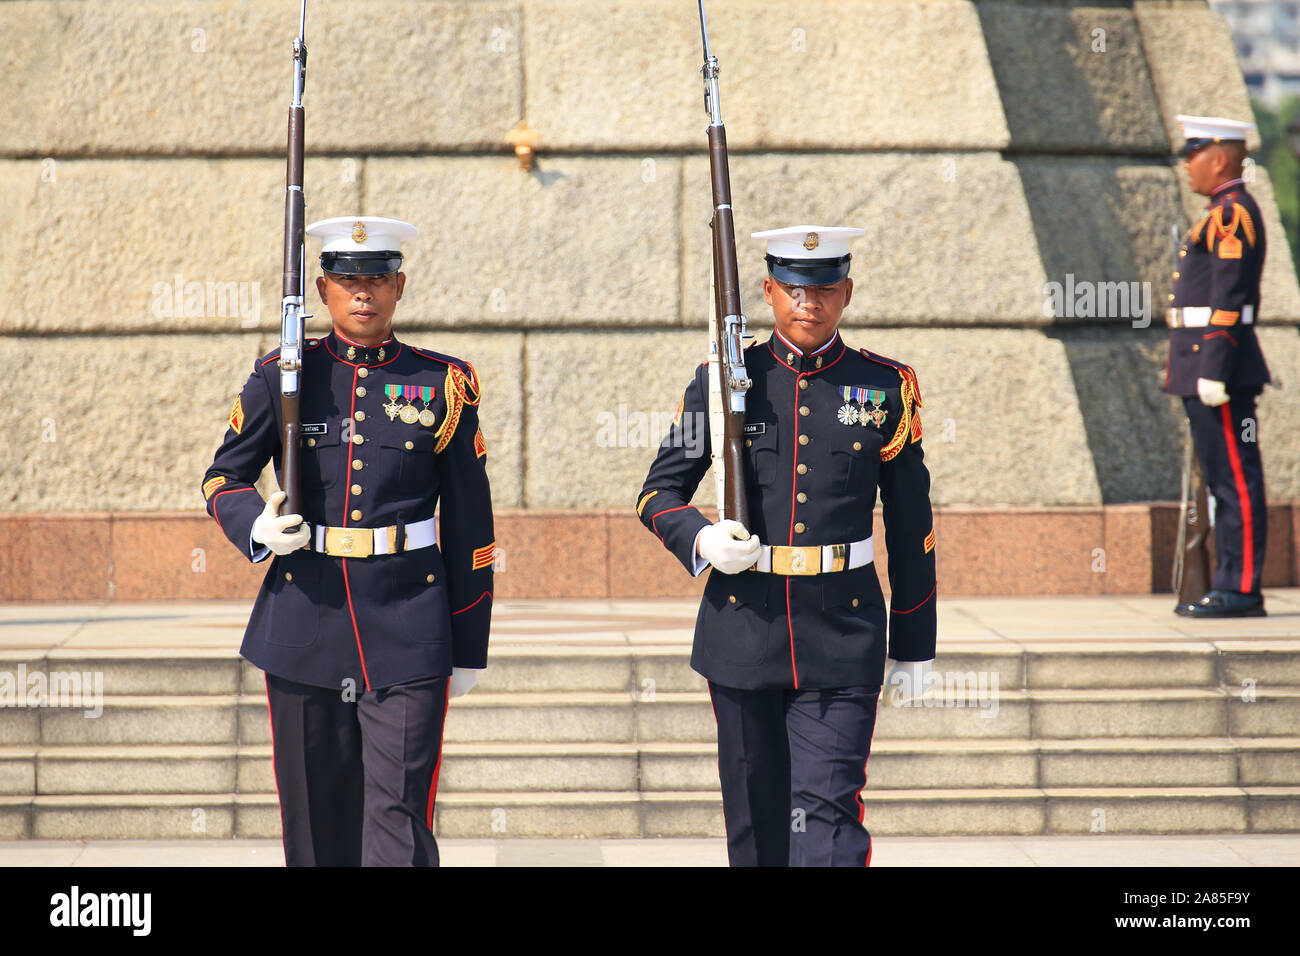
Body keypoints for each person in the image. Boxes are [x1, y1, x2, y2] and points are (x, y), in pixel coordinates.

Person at [636, 225, 937, 866]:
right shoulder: (722, 382)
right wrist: (703, 539)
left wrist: (914, 645)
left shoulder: (886, 387)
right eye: (795, 289)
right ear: (769, 291)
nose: (810, 302)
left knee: (828, 818)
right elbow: (656, 495)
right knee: (757, 825)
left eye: (825, 288)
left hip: (843, 630)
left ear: (847, 293)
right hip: (743, 631)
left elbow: (912, 528)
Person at [201, 216, 495, 865]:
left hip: (409, 625)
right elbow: (223, 476)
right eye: (347, 281)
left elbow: (472, 528)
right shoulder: (285, 374)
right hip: (305, 618)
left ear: (400, 287)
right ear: (322, 289)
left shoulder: (443, 385)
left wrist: (468, 644)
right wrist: (254, 522)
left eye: (378, 280)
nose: (364, 294)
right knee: (315, 824)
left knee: (397, 817)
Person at [1166, 116, 1270, 618]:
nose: (1188, 165)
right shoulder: (1218, 212)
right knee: (1222, 477)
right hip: (1204, 366)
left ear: (1220, 158)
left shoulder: (1231, 215)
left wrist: (1214, 368)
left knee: (1235, 479)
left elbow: (1228, 297)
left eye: (1194, 153)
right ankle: (1230, 581)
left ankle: (1241, 588)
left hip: (1219, 371)